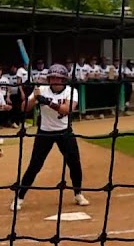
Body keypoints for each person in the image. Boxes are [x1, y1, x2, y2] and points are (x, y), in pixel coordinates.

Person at [12, 63, 89, 211]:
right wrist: (34, 98)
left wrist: (47, 101)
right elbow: (24, 108)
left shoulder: (71, 91)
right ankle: (19, 197)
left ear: (63, 80)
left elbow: (67, 110)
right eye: (52, 77)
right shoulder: (41, 90)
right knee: (35, 165)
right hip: (44, 133)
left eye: (58, 78)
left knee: (74, 163)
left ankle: (78, 193)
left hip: (64, 132)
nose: (54, 80)